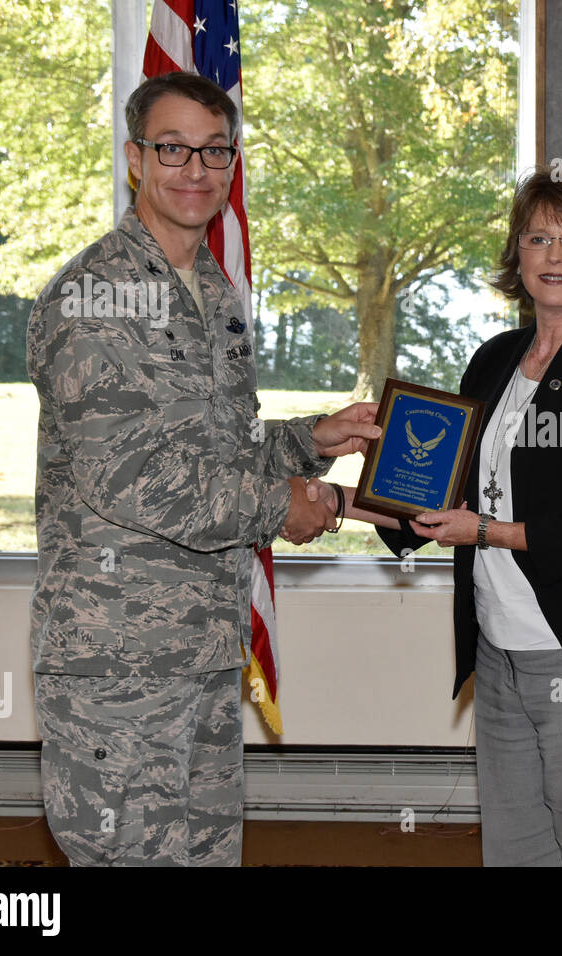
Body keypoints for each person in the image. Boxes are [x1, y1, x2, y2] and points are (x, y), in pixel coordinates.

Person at [26, 72, 378, 866]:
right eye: (173, 149)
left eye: (214, 151)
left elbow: (210, 453)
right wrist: (277, 506)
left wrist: (305, 442)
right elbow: (130, 477)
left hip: (203, 648)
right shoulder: (97, 297)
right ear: (135, 160)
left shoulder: (213, 291)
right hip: (118, 665)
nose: (196, 170)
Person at [330, 164, 562, 865]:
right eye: (537, 238)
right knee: (516, 854)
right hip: (501, 657)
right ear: (516, 257)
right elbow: (450, 496)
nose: (554, 256)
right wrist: (348, 501)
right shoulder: (494, 359)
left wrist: (492, 533)